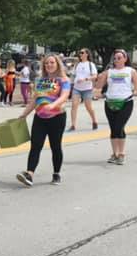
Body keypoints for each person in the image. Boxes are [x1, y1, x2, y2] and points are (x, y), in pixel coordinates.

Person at [16, 54, 71, 187]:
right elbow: (34, 100)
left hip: (57, 117)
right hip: (40, 117)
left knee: (55, 146)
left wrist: (53, 105)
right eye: (46, 63)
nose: (49, 65)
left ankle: (56, 173)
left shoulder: (63, 80)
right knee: (35, 146)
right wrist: (23, 114)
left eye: (52, 62)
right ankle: (29, 174)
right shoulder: (40, 80)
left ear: (57, 64)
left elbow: (64, 96)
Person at [94, 49, 137, 165]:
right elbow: (98, 89)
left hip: (125, 102)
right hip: (110, 102)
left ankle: (121, 154)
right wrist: (99, 93)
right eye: (115, 58)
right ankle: (114, 154)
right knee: (113, 128)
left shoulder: (131, 71)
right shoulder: (108, 72)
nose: (117, 60)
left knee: (119, 127)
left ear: (125, 59)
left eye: (119, 58)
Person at [69, 48, 99, 132]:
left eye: (82, 53)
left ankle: (94, 121)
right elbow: (73, 75)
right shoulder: (77, 64)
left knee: (88, 107)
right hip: (76, 88)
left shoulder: (90, 64)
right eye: (80, 53)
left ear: (87, 54)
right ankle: (73, 125)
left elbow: (95, 76)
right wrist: (71, 82)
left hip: (87, 89)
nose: (80, 54)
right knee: (74, 105)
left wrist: (85, 79)